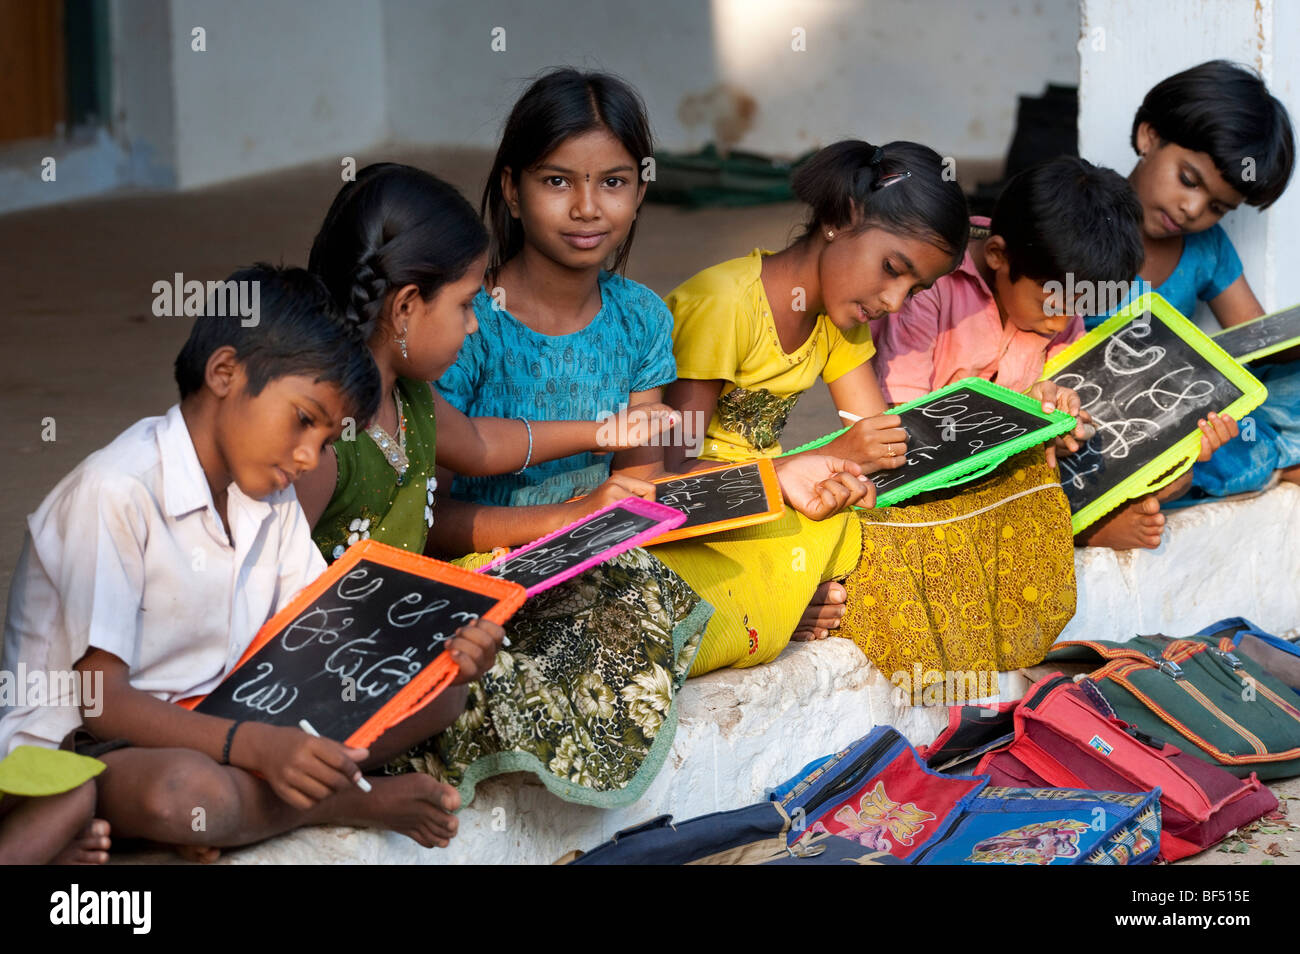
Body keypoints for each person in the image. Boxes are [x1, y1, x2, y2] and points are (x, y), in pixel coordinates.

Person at [0, 265, 504, 860]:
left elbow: (322, 636)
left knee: (439, 696)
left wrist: (443, 656)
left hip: (221, 719)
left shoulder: (266, 498)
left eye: (323, 439)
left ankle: (235, 814)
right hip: (97, 745)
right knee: (182, 794)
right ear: (224, 373)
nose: (307, 455)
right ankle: (347, 801)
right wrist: (252, 747)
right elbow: (100, 702)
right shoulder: (116, 490)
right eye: (303, 420)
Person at [665, 140, 1083, 642]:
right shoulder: (724, 305)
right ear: (841, 217)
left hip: (768, 502)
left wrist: (1013, 424)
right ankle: (771, 602)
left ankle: (780, 594)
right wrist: (829, 459)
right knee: (833, 550)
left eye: (915, 289)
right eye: (892, 269)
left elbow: (885, 446)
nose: (893, 301)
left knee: (878, 534)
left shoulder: (841, 323)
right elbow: (671, 478)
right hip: (699, 514)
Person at [872, 156, 1236, 550]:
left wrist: (1063, 425)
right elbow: (903, 419)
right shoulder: (934, 283)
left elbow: (1069, 413)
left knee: (1174, 474)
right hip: (927, 467)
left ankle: (1075, 521)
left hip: (1013, 472)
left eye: (1078, 307)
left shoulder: (1059, 299)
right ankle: (1077, 529)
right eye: (1052, 303)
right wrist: (1015, 420)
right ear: (997, 255)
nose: (1062, 323)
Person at [1118, 60, 1298, 505]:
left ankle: (1210, 468)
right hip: (1101, 412)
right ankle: (1269, 460)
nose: (1193, 210)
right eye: (1188, 180)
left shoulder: (1207, 247)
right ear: (1149, 136)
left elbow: (1255, 342)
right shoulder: (1083, 220)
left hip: (1181, 408)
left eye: (1218, 206)